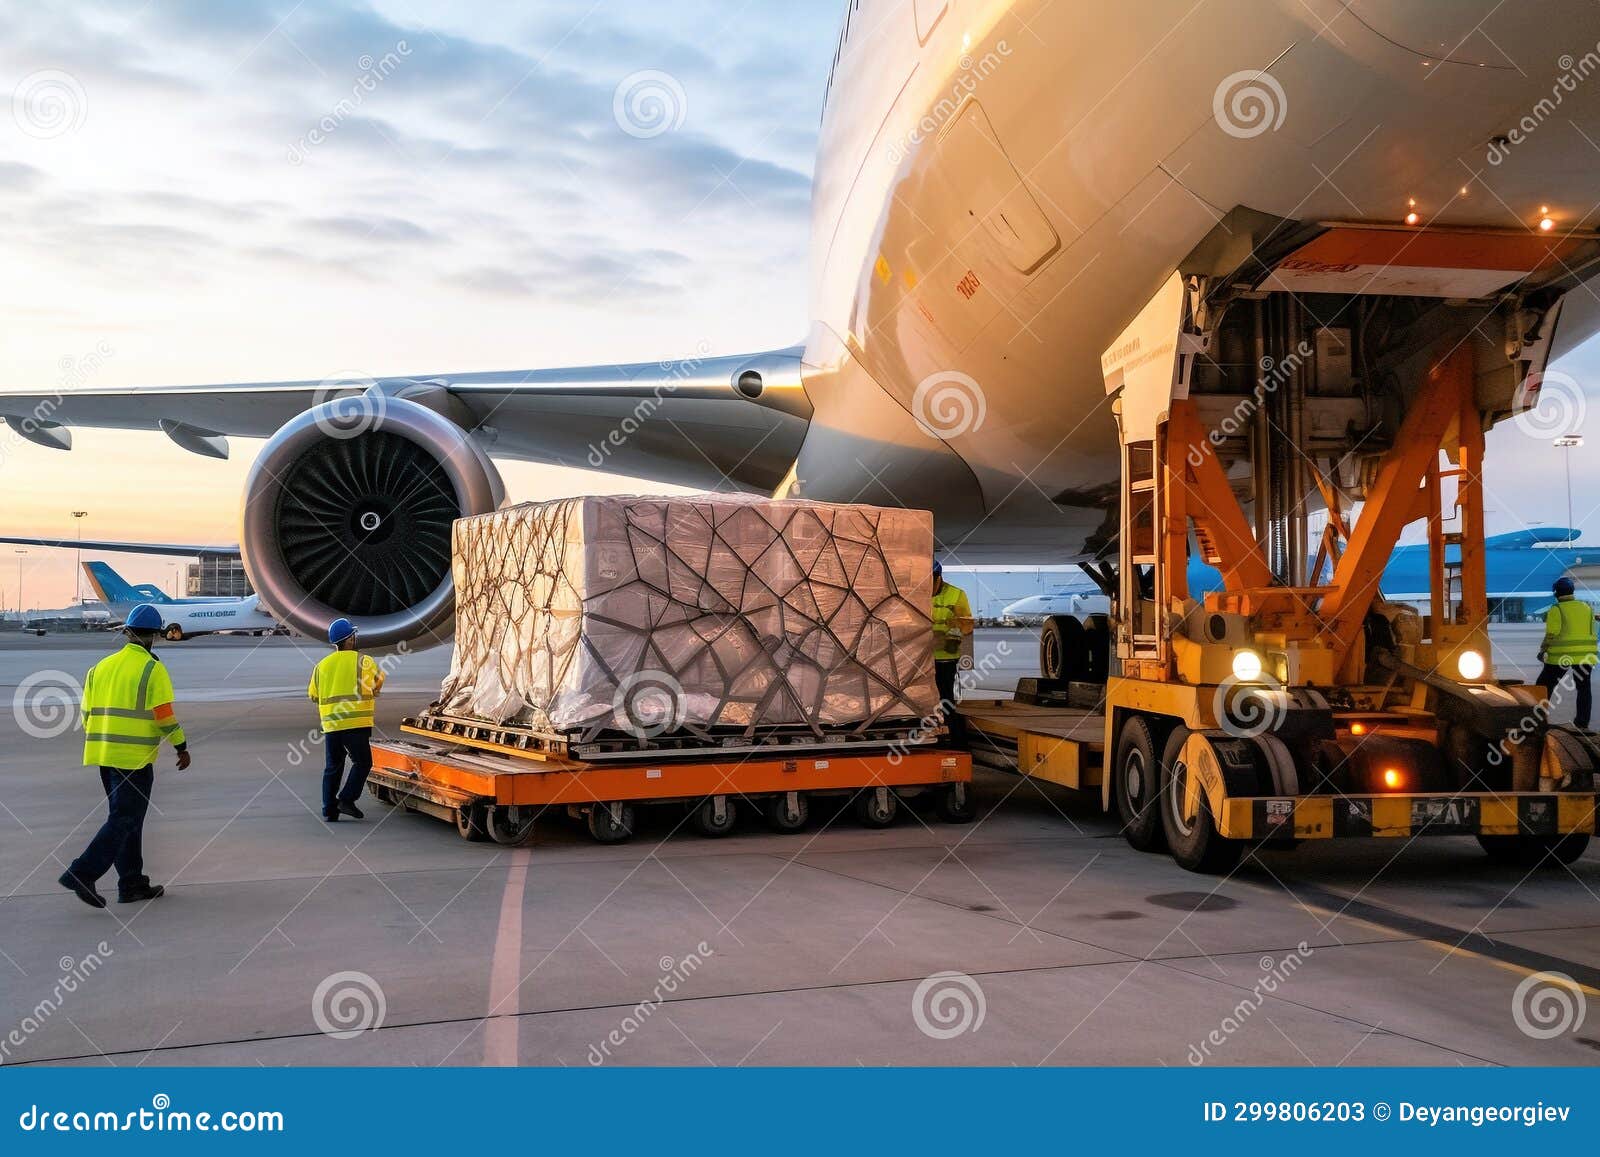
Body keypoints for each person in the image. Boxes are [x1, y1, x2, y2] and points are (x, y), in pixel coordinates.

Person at [59, 603, 190, 909]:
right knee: (125, 817)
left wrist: (106, 740)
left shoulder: (99, 668)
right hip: (134, 759)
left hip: (104, 754)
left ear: (128, 632)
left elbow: (86, 714)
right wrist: (181, 746)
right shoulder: (152, 668)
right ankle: (82, 872)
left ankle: (131, 883)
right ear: (154, 637)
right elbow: (164, 717)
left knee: (127, 818)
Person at [309, 617, 385, 821]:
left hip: (332, 725)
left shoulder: (321, 666)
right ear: (349, 639)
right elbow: (378, 683)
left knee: (333, 766)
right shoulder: (364, 661)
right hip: (356, 724)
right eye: (354, 635)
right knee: (362, 763)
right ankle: (346, 799)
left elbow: (313, 695)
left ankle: (329, 810)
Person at [1537, 577, 1596, 730]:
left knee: (1544, 686)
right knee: (1584, 688)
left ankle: (1537, 721)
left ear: (1556, 593)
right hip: (1585, 656)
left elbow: (1552, 634)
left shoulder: (1556, 609)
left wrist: (1542, 650)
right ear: (1572, 592)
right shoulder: (1587, 607)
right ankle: (1582, 723)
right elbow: (1592, 631)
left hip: (1560, 657)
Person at [931, 559, 972, 742]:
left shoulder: (956, 594)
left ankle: (953, 738)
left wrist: (947, 637)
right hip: (920, 657)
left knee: (945, 697)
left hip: (945, 658)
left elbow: (966, 624)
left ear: (938, 577)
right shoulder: (915, 593)